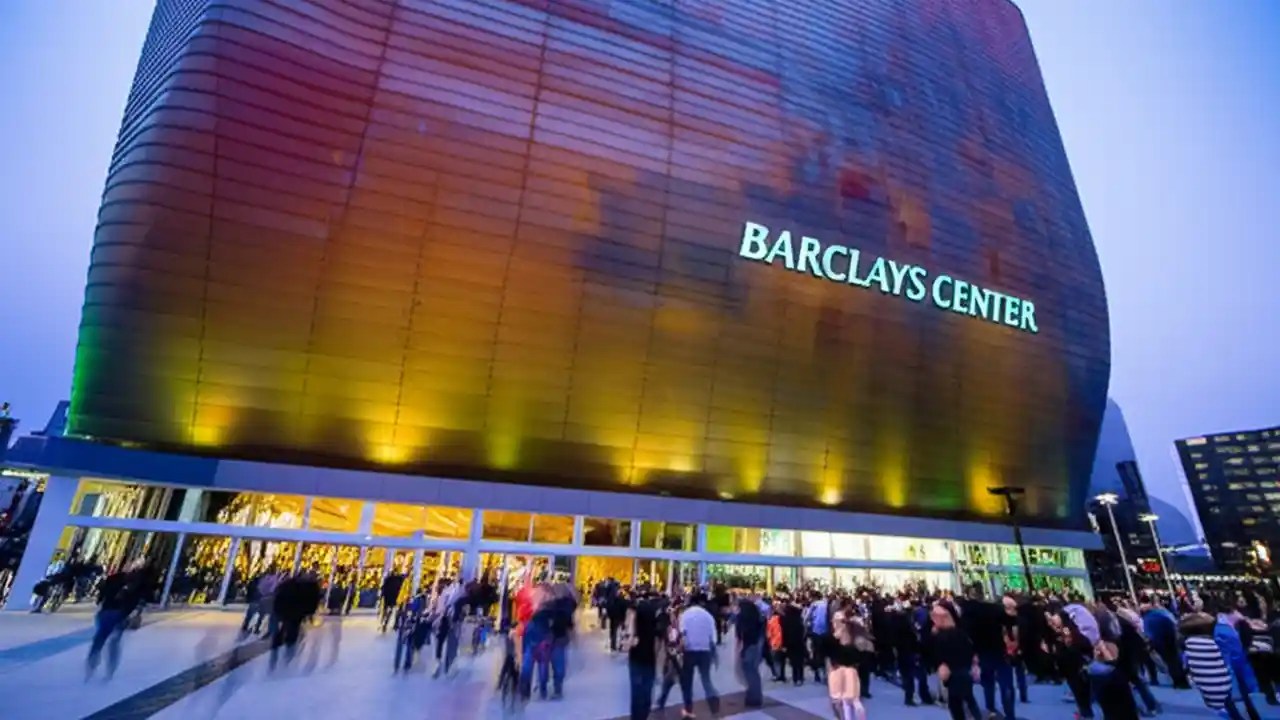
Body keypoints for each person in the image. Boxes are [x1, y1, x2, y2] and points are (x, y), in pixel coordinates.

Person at [1182, 605, 1250, 720]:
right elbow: (1230, 658)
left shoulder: (1188, 643)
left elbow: (1189, 665)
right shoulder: (1214, 641)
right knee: (1236, 701)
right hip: (1223, 680)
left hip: (1207, 686)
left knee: (1228, 705)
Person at [85, 565, 146, 680]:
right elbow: (135, 602)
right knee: (113, 642)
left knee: (99, 639)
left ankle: (91, 667)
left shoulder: (113, 580)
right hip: (118, 615)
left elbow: (102, 595)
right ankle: (109, 671)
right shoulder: (136, 584)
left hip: (106, 612)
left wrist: (101, 602)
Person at [933, 600, 981, 720]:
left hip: (955, 673)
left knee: (958, 704)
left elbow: (940, 654)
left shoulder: (944, 635)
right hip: (962, 672)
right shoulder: (961, 631)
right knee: (967, 701)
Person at [679, 593, 720, 718]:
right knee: (706, 679)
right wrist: (714, 655)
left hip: (689, 651)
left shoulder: (685, 615)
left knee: (687, 682)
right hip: (705, 651)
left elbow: (682, 633)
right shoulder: (708, 616)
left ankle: (688, 709)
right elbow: (713, 638)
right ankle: (713, 704)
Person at [826, 599, 866, 720]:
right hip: (844, 657)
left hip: (847, 657)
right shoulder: (843, 620)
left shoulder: (851, 621)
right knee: (847, 699)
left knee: (849, 699)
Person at [627, 588, 662, 720]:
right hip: (649, 660)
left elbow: (629, 638)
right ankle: (643, 716)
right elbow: (658, 643)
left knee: (636, 694)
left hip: (635, 658)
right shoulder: (656, 616)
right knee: (647, 693)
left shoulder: (635, 612)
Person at [1140, 595, 1188, 688]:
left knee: (1170, 662)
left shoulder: (1148, 619)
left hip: (1161, 642)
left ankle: (1177, 681)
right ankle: (1183, 681)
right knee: (1176, 660)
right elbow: (1172, 624)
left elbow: (1149, 633)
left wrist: (1149, 643)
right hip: (1171, 638)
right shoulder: (1161, 613)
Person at [1088, 640, 1139, 720]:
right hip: (1124, 711)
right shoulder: (1115, 674)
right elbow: (1128, 702)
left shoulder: (1093, 671)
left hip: (1108, 711)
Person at [735, 595, 765, 707]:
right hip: (757, 646)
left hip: (748, 646)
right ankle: (755, 696)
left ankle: (753, 697)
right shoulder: (757, 616)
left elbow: (739, 636)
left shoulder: (742, 618)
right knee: (754, 671)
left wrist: (738, 650)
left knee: (749, 671)